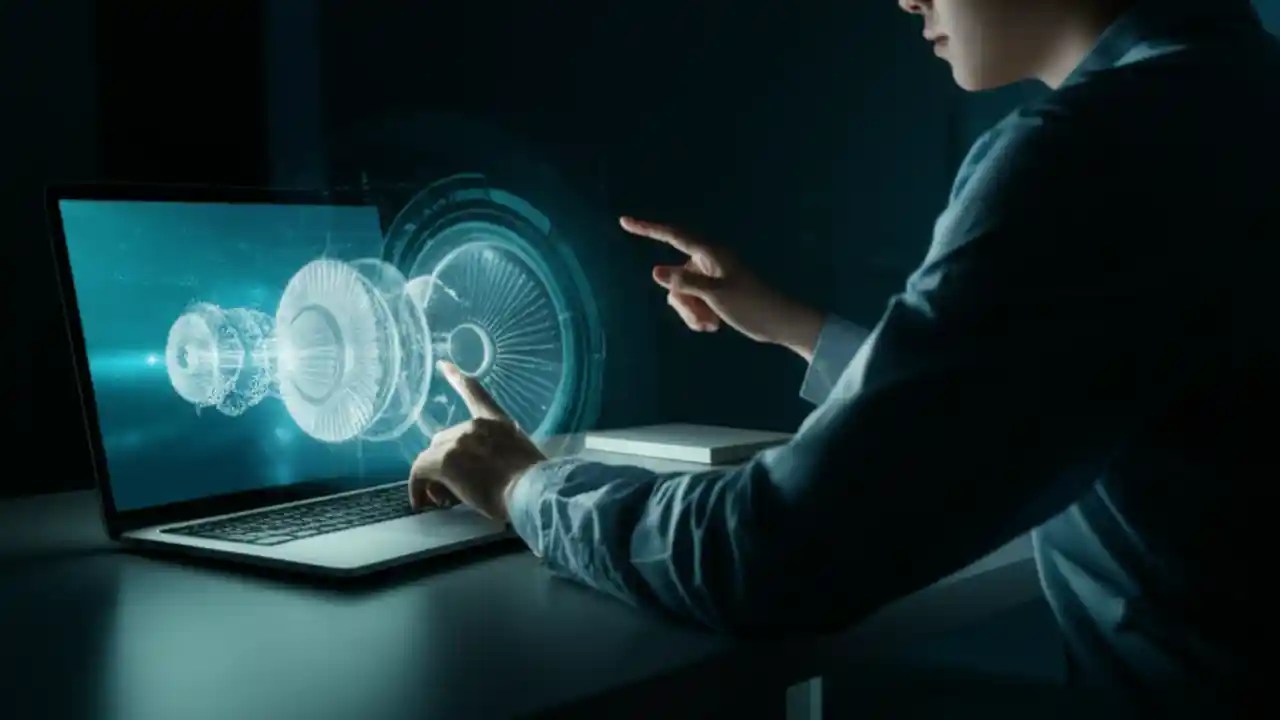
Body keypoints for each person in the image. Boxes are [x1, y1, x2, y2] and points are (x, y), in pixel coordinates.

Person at [410, 0, 1275, 713]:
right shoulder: (1234, 98)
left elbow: (775, 555)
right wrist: (803, 330)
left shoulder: (1082, 157)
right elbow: (1051, 392)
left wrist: (526, 487)